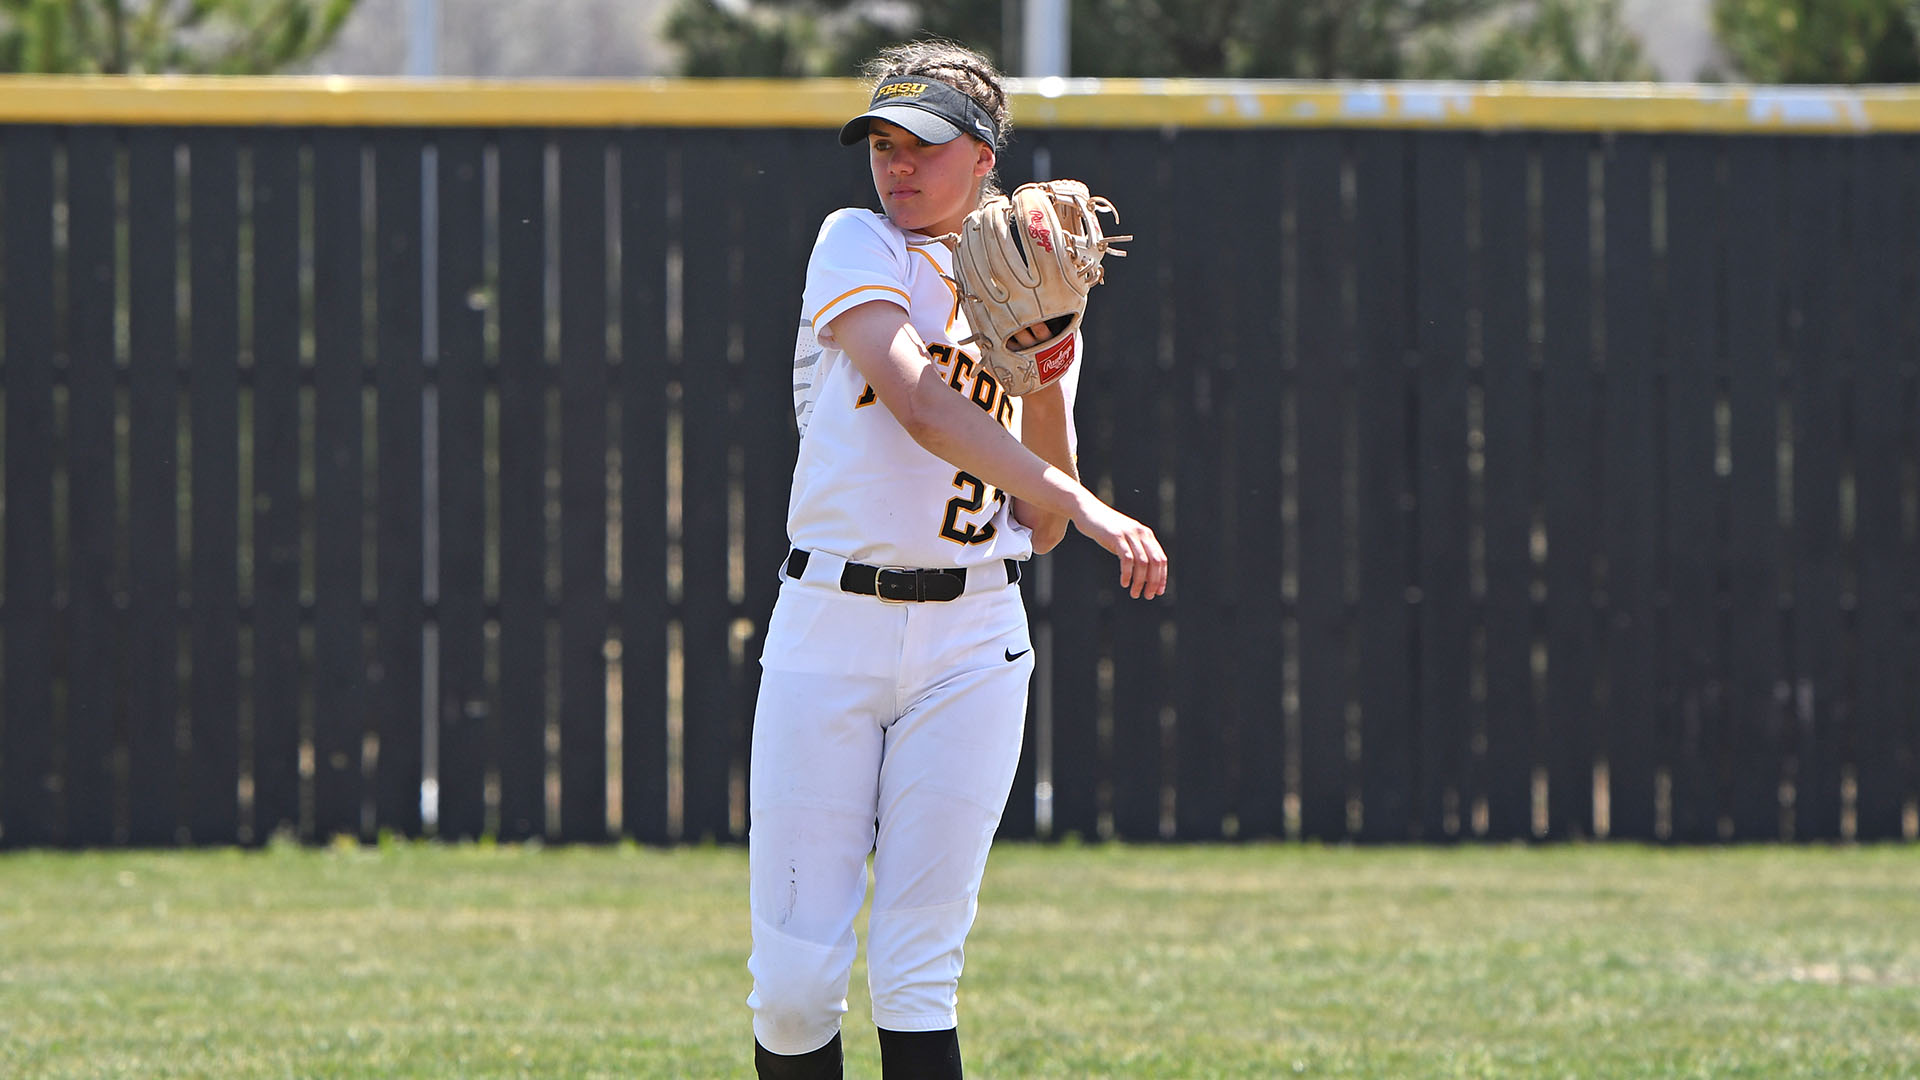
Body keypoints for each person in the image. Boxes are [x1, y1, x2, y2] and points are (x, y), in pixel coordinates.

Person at [746, 40, 1169, 1080]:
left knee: (916, 973)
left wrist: (1048, 360)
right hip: (830, 625)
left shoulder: (1032, 284)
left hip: (974, 640)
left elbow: (1040, 526)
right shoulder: (856, 242)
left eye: (924, 146)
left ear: (984, 158)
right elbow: (923, 405)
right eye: (881, 145)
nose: (897, 166)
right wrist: (1086, 502)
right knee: (795, 992)